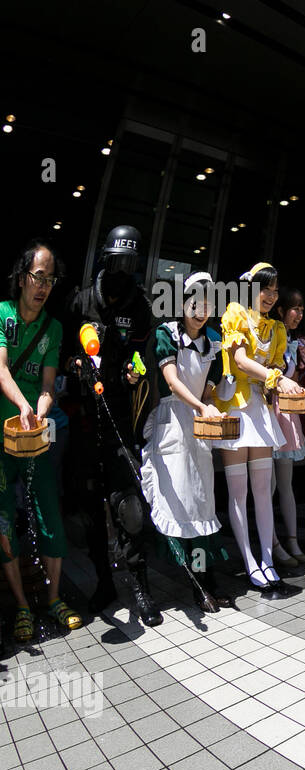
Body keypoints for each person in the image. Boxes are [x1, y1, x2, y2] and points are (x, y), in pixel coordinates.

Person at [64, 224, 162, 624]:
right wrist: (77, 367)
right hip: (85, 420)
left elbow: (138, 357)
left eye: (130, 262)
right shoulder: (81, 301)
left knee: (131, 509)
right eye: (117, 261)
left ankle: (139, 584)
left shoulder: (139, 306)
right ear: (106, 258)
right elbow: (64, 355)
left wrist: (132, 374)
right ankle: (103, 582)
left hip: (119, 419)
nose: (123, 269)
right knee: (89, 510)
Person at [0, 240, 82, 640]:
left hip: (37, 437)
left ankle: (52, 598)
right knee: (3, 520)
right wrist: (21, 405)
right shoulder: (1, 315)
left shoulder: (54, 328)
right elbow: (0, 369)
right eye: (38, 277)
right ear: (21, 278)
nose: (43, 286)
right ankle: (20, 605)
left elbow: (49, 385)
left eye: (50, 280)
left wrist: (41, 410)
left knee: (50, 512)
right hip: (3, 436)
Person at [139, 272, 232, 614]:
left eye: (208, 303)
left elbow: (209, 385)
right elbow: (171, 380)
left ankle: (204, 582)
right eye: (195, 301)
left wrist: (209, 402)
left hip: (200, 428)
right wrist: (201, 405)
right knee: (175, 501)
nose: (202, 309)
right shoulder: (167, 333)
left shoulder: (214, 340)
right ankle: (186, 584)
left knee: (202, 503)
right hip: (172, 425)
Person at [213, 261, 303, 598]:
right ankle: (250, 562)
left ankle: (267, 560)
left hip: (260, 411)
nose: (270, 295)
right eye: (264, 288)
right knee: (238, 494)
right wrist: (276, 378)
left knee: (264, 491)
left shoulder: (276, 328)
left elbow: (275, 365)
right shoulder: (235, 312)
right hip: (234, 409)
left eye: (274, 290)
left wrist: (275, 382)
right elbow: (238, 361)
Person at [269, 288, 305, 567]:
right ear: (281, 311)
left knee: (286, 484)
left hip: (286, 413)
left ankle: (292, 540)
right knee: (267, 486)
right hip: (267, 409)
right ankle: (272, 543)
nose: (299, 314)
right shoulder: (269, 334)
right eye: (294, 308)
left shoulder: (296, 342)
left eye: (302, 309)